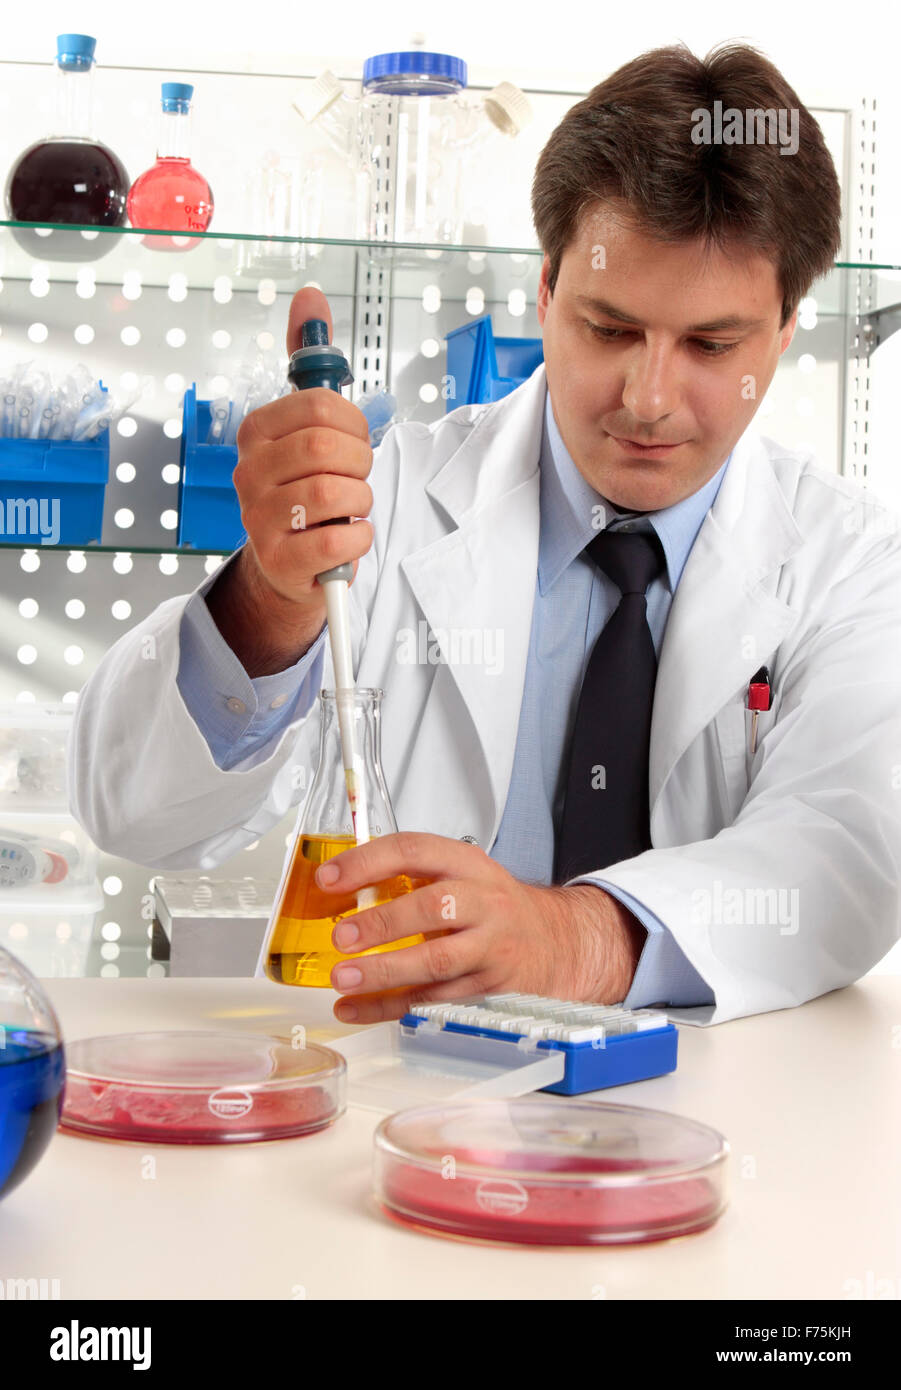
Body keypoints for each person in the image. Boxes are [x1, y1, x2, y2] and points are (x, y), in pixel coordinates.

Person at [69, 42, 901, 1028]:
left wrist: (565, 940)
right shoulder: (388, 495)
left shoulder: (847, 561)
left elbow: (843, 849)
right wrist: (269, 599)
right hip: (386, 1113)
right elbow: (135, 815)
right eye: (609, 327)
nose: (648, 398)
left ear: (785, 329)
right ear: (545, 291)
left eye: (711, 345)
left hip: (718, 1131)